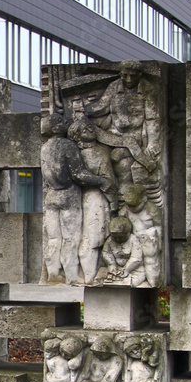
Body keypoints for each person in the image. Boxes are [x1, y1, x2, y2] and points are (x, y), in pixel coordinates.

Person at [40, 114, 113, 285]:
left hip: (51, 195)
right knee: (70, 238)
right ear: (56, 128)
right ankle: (71, 275)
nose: (67, 122)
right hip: (68, 194)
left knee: (53, 238)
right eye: (62, 121)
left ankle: (53, 273)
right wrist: (101, 181)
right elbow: (78, 174)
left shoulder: (45, 147)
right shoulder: (67, 145)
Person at [85, 60, 161, 203]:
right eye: (125, 75)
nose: (129, 79)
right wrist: (85, 110)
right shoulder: (114, 86)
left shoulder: (147, 88)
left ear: (139, 75)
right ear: (120, 74)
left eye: (133, 75)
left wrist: (152, 142)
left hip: (137, 136)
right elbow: (102, 106)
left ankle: (126, 195)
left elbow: (152, 118)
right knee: (103, 156)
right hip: (115, 134)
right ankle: (117, 194)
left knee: (119, 157)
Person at [67, 117, 118, 284]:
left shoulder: (97, 150)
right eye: (84, 130)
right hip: (95, 198)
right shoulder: (92, 153)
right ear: (77, 137)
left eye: (90, 127)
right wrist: (113, 201)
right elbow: (107, 180)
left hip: (94, 198)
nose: (90, 130)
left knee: (94, 237)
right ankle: (89, 277)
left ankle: (91, 275)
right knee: (92, 239)